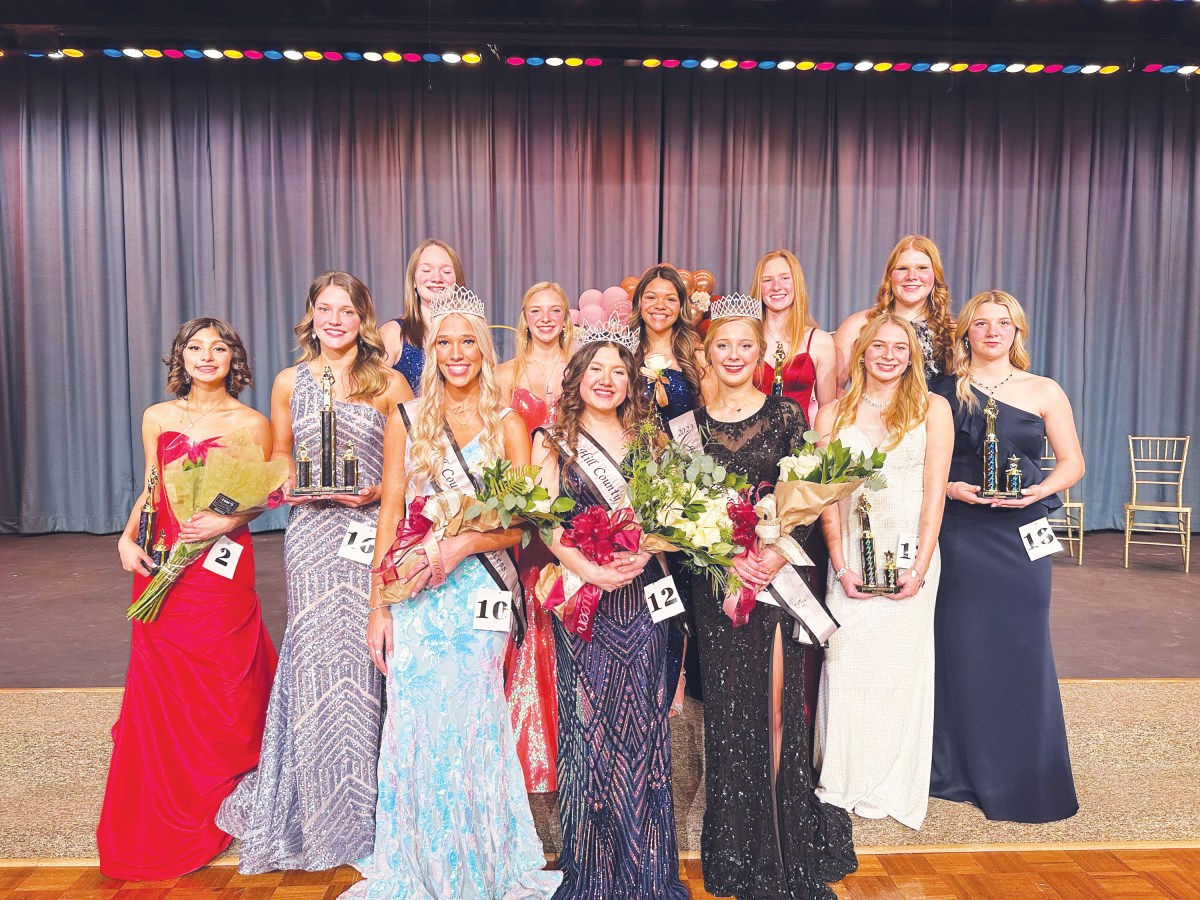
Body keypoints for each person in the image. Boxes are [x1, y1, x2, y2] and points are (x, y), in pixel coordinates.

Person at [351, 287, 559, 897]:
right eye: (445, 341)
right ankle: (419, 862)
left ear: (483, 348)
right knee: (414, 721)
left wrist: (463, 545)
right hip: (416, 593)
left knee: (474, 720)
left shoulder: (508, 424)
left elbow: (523, 525)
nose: (457, 352)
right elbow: (391, 513)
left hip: (478, 594)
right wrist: (379, 603)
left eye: (468, 341)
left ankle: (480, 859)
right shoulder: (408, 417)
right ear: (432, 350)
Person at [217, 272, 412, 873]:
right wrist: (286, 482)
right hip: (309, 537)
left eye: (347, 310)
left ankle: (366, 813)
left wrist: (378, 489)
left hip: (367, 535)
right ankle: (311, 805)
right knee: (316, 661)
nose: (336, 319)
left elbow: (410, 468)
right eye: (325, 309)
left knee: (363, 663)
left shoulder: (390, 383)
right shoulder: (287, 382)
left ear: (363, 317)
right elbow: (277, 455)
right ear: (311, 316)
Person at [673, 298, 857, 899]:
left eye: (744, 346)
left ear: (760, 352)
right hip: (720, 587)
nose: (732, 356)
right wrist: (727, 557)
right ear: (707, 352)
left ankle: (783, 846)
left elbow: (809, 493)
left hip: (775, 583)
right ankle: (737, 851)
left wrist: (775, 551)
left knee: (778, 713)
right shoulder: (684, 427)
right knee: (729, 720)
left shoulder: (784, 416)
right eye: (721, 345)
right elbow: (675, 514)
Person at [99, 318, 277, 880]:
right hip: (160, 558)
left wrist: (225, 520)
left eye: (218, 347)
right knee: (164, 677)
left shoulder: (253, 422)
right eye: (196, 347)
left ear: (234, 359)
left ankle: (223, 780)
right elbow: (153, 485)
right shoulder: (158, 415)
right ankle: (166, 785)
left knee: (222, 673)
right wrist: (127, 538)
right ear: (182, 357)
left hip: (220, 566)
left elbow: (264, 494)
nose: (207, 356)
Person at [532, 335, 688, 899]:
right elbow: (546, 524)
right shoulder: (551, 440)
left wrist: (646, 550)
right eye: (595, 369)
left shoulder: (652, 438)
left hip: (644, 593)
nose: (606, 379)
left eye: (618, 371)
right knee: (591, 729)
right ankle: (596, 870)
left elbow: (673, 509)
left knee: (642, 725)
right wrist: (591, 573)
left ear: (631, 383)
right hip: (584, 596)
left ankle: (645, 869)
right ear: (576, 377)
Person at [931, 290, 1083, 823]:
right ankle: (954, 772)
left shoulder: (1044, 390)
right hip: (960, 534)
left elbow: (1072, 462)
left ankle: (1024, 772)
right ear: (965, 331)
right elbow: (921, 463)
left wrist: (1036, 495)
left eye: (1004, 324)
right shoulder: (941, 390)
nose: (992, 332)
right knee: (960, 646)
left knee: (1022, 645)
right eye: (981, 323)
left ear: (1017, 332)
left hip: (1021, 534)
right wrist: (950, 488)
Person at [813, 315, 953, 830]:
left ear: (912, 356)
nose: (889, 355)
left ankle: (892, 781)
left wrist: (919, 565)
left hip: (911, 555)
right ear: (862, 352)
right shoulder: (831, 415)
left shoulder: (932, 410)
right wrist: (840, 563)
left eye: (901, 347)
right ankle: (845, 778)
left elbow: (934, 493)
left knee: (901, 670)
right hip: (849, 556)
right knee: (847, 666)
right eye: (880, 346)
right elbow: (825, 497)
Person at [496, 281, 575, 793]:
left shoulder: (583, 365)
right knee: (531, 597)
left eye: (555, 311)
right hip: (528, 511)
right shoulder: (505, 376)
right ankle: (531, 738)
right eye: (536, 311)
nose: (545, 318)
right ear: (523, 317)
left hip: (575, 501)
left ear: (567, 318)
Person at [629, 263, 712, 705]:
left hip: (681, 484)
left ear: (681, 306)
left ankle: (682, 700)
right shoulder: (623, 351)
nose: (660, 306)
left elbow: (711, 424)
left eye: (669, 298)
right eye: (651, 297)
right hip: (628, 483)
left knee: (682, 594)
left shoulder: (696, 356)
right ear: (638, 303)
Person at [833, 236, 955, 387]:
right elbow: (833, 390)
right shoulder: (858, 325)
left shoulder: (950, 331)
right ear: (890, 276)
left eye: (922, 268)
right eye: (902, 269)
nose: (912, 276)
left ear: (935, 275)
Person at [750, 249, 836, 425]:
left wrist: (819, 451)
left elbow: (827, 412)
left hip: (800, 447)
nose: (776, 286)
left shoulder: (820, 342)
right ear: (759, 287)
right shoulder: (745, 338)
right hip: (747, 445)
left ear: (797, 283)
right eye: (767, 280)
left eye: (785, 278)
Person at [379, 238, 465, 394]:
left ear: (457, 281)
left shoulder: (472, 333)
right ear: (413, 280)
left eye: (446, 271)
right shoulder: (393, 333)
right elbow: (372, 397)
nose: (437, 278)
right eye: (426, 270)